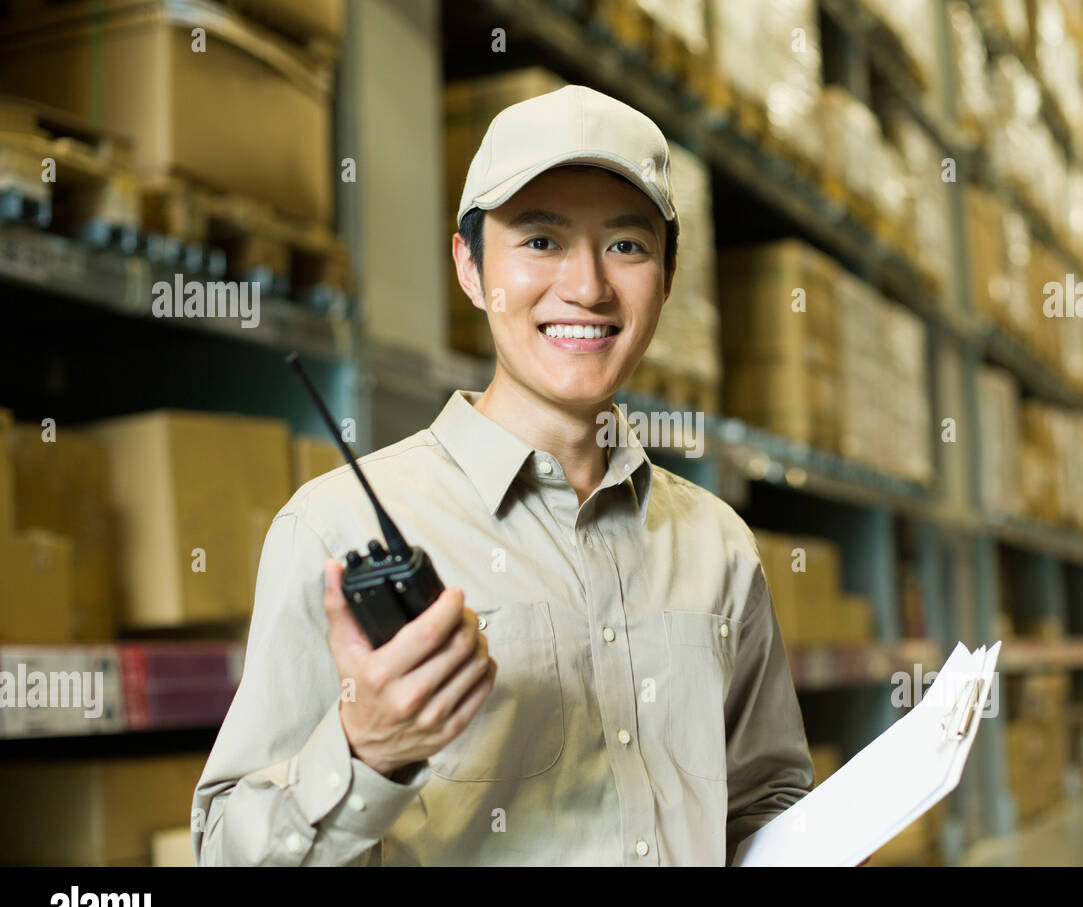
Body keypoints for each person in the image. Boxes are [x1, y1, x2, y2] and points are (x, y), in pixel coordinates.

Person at [192, 84, 814, 866]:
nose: (586, 286)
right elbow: (223, 853)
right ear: (468, 265)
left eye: (626, 245)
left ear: (666, 276)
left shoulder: (717, 545)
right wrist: (366, 753)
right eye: (541, 241)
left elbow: (763, 803)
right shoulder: (336, 529)